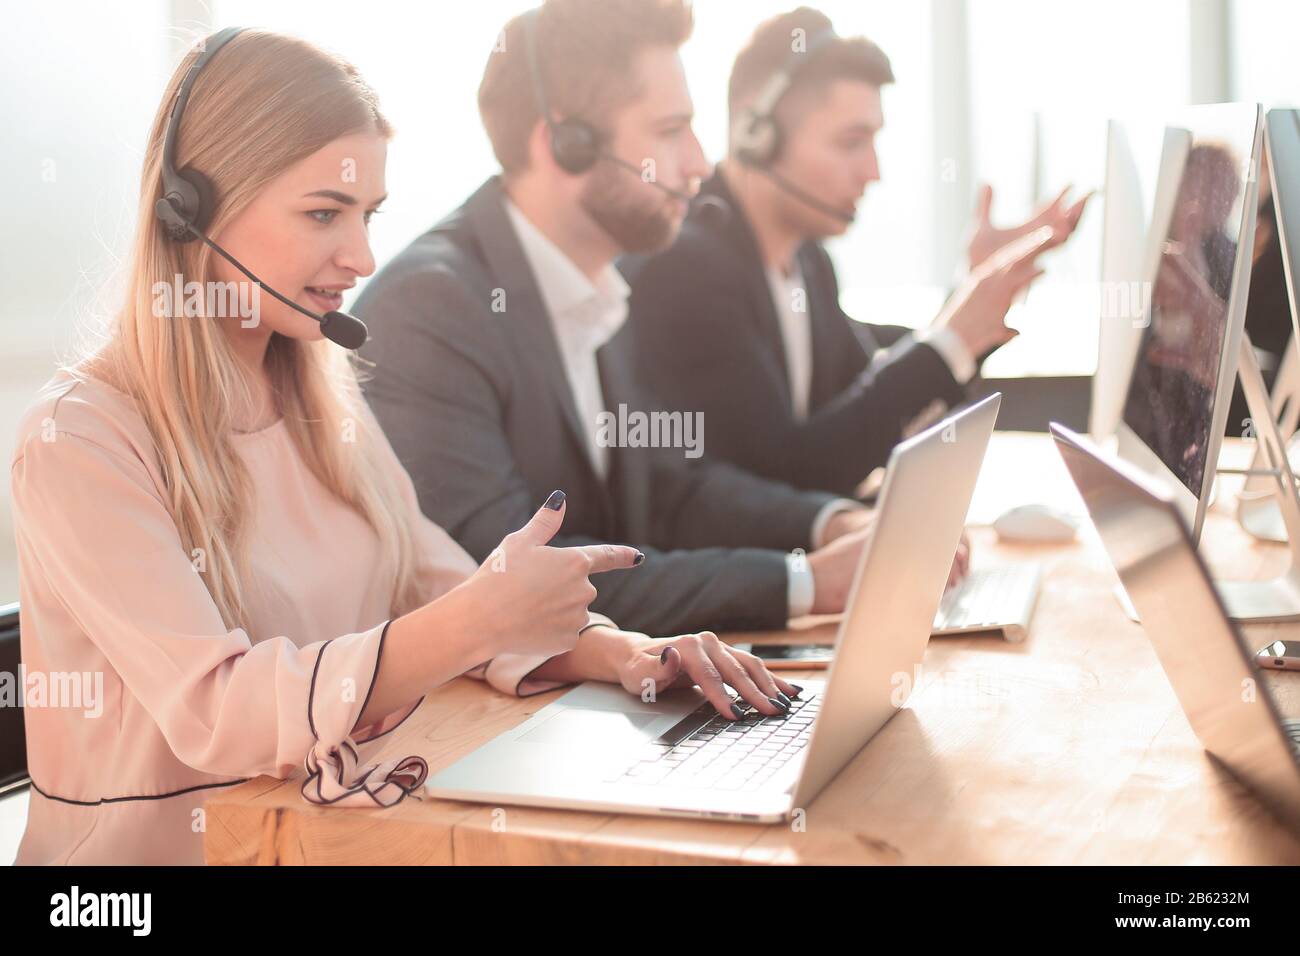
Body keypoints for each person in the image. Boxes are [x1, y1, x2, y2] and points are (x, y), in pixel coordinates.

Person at [10, 28, 798, 867]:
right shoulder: (82, 440)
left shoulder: (317, 392)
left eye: (369, 216)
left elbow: (435, 582)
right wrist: (468, 623)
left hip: (332, 838)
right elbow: (219, 710)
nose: (362, 257)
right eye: (323, 213)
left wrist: (629, 654)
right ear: (191, 210)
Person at [356, 0, 933, 640]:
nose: (699, 163)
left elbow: (669, 489)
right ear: (567, 146)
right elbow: (516, 583)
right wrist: (805, 581)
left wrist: (828, 523)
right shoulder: (433, 310)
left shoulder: (603, 280)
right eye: (669, 131)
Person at [624, 7, 1091, 497]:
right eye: (851, 141)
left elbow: (866, 409)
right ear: (754, 134)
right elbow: (783, 470)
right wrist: (952, 337)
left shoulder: (809, 263)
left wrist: (972, 289)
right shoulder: (688, 266)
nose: (873, 171)